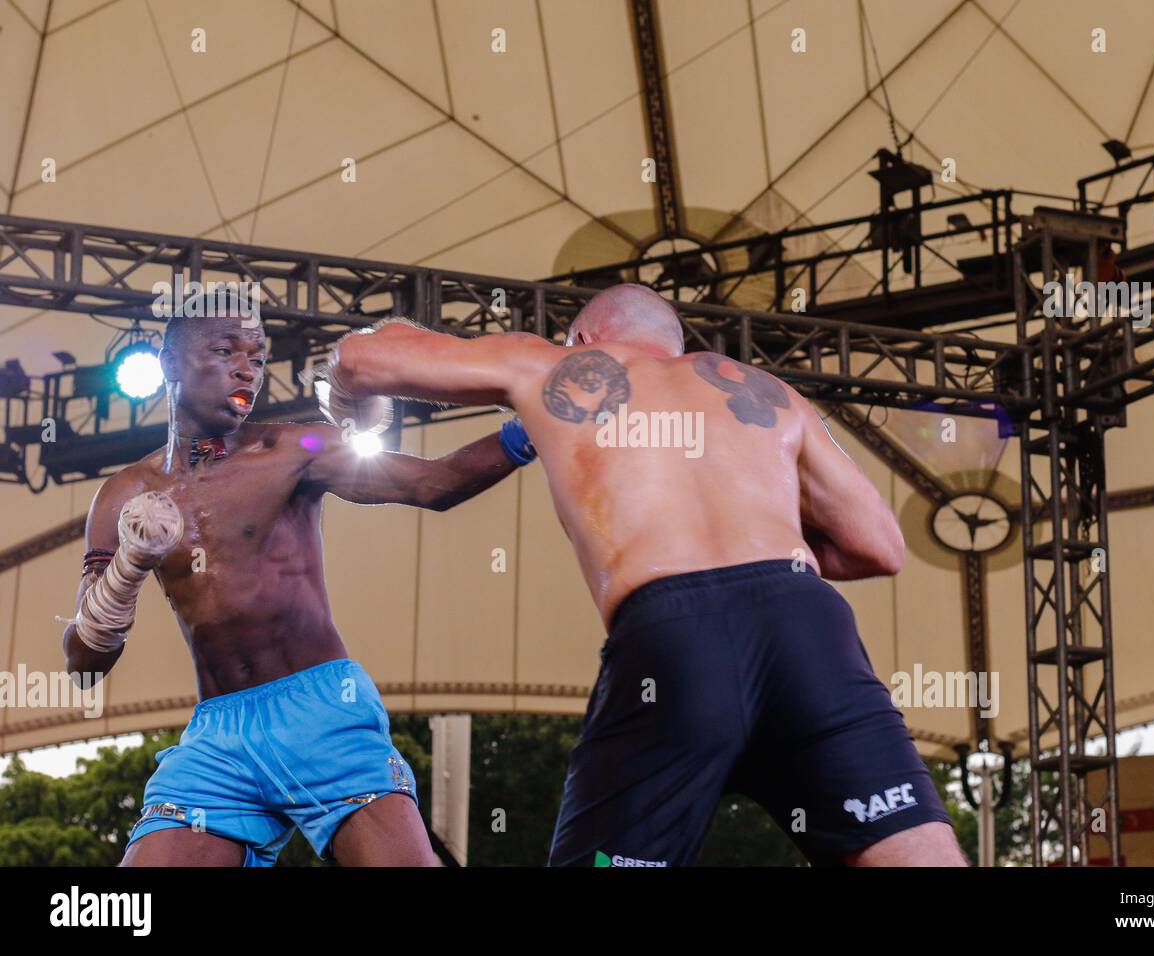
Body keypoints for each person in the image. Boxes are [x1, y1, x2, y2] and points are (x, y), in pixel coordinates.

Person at [321, 283, 966, 867]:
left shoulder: (558, 366)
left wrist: (356, 414)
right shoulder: (769, 395)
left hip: (674, 637)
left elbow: (360, 358)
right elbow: (879, 545)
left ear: (585, 339)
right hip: (807, 629)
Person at [61, 313, 536, 866]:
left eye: (257, 358)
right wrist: (127, 569)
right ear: (169, 363)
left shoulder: (296, 450)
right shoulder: (122, 496)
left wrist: (537, 425)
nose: (247, 369)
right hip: (218, 740)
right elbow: (84, 665)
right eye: (226, 351)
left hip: (322, 712)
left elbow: (434, 484)